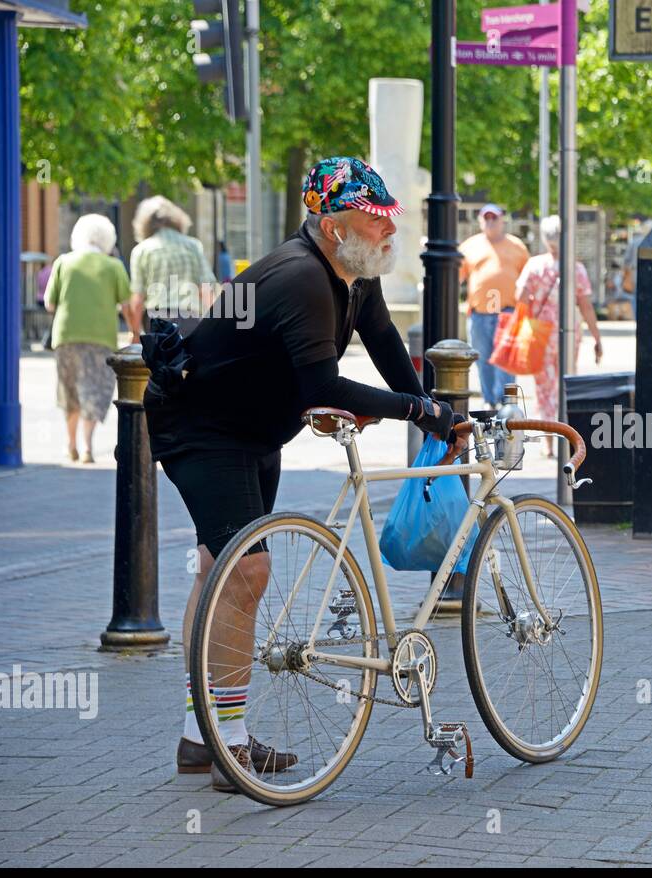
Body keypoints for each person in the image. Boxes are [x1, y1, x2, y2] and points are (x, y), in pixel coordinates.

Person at [144, 156, 456, 793]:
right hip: (203, 428)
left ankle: (200, 737)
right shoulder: (301, 279)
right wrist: (415, 409)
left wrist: (433, 413)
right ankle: (230, 747)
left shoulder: (350, 275)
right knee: (246, 570)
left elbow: (388, 349)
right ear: (333, 224)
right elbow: (321, 384)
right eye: (375, 222)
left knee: (218, 569)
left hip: (252, 430)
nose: (387, 233)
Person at [44, 214, 137, 463]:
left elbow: (50, 303)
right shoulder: (113, 266)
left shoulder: (63, 262)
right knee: (95, 390)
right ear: (108, 239)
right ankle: (87, 446)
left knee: (69, 390)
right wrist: (133, 331)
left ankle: (70, 443)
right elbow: (127, 305)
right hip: (101, 336)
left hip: (66, 334)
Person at [514, 215, 603, 456]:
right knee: (565, 383)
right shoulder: (576, 268)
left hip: (539, 333)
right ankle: (566, 434)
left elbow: (520, 297)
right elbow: (585, 305)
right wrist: (597, 337)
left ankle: (548, 442)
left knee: (544, 387)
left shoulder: (534, 265)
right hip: (568, 333)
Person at [459, 203, 530, 407]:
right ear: (481, 221)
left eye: (494, 218)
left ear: (502, 221)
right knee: (483, 359)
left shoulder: (516, 246)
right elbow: (457, 276)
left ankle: (507, 403)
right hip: (480, 313)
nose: (490, 222)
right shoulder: (469, 246)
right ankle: (489, 401)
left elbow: (528, 279)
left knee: (506, 360)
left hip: (508, 311)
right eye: (486, 218)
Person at [128, 196, 218, 339]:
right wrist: (216, 323)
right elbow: (205, 289)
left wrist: (135, 333)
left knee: (160, 361)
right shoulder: (193, 246)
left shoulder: (142, 250)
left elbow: (138, 298)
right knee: (188, 360)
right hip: (190, 318)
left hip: (156, 320)